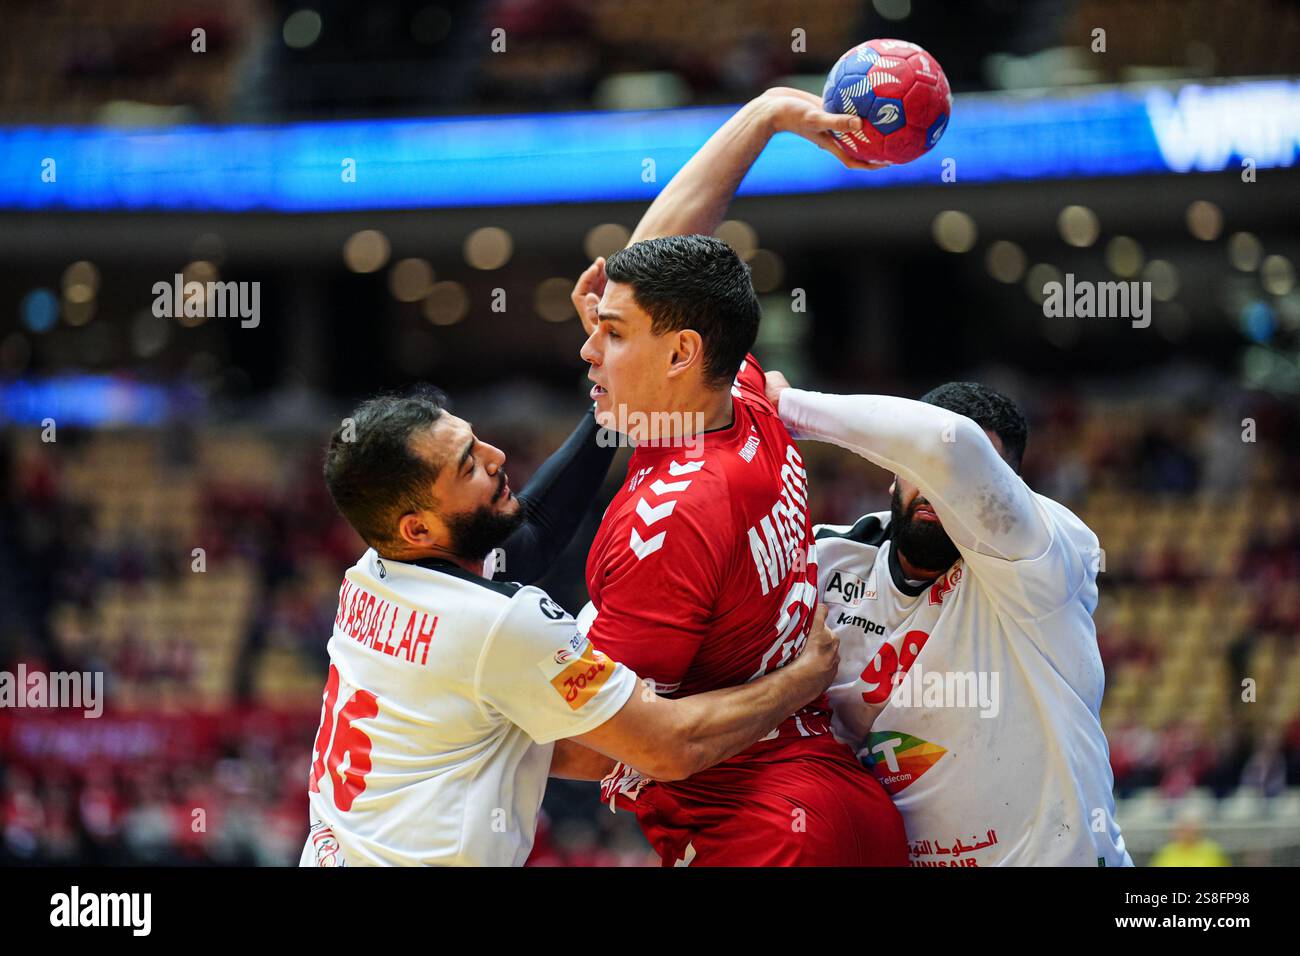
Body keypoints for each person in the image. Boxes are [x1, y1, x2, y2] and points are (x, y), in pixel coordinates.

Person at [555, 89, 908, 866]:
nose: (587, 349)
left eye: (609, 336)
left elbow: (592, 751)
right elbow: (663, 267)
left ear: (679, 356)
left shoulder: (672, 514)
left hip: (759, 831)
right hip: (830, 799)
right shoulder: (735, 400)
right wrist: (770, 115)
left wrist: (461, 696)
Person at [301, 387, 840, 866]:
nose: (496, 457)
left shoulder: (372, 573)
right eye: (468, 466)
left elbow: (530, 532)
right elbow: (669, 748)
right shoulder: (500, 625)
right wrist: (802, 679)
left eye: (476, 441)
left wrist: (616, 395)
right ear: (417, 527)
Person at [764, 372, 1133, 866]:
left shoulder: (1046, 557)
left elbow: (953, 444)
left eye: (968, 485)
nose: (943, 490)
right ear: (892, 470)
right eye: (921, 468)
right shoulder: (822, 560)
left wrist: (785, 407)